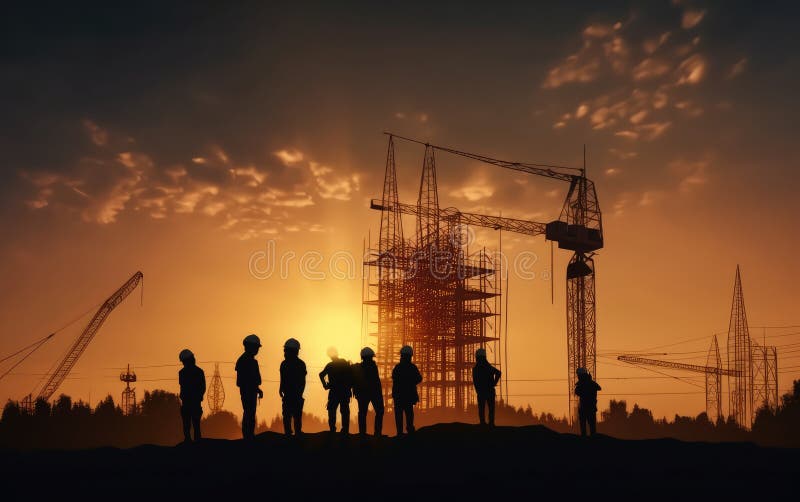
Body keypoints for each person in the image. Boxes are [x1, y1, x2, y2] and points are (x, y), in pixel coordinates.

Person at [319, 347, 353, 434]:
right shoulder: (343, 362)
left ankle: (333, 430)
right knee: (344, 411)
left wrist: (325, 385)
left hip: (334, 392)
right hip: (344, 392)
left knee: (332, 410)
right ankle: (345, 430)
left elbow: (321, 374)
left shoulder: (330, 365)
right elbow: (351, 376)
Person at [235, 334, 263, 440]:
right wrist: (254, 387)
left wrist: (257, 389)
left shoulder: (245, 360)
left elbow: (252, 380)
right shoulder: (246, 361)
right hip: (248, 392)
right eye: (256, 347)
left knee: (249, 413)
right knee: (249, 413)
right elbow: (243, 381)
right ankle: (248, 436)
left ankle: (249, 435)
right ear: (250, 347)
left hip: (249, 391)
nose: (257, 350)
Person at [352, 346, 384, 436]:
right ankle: (377, 433)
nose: (372, 359)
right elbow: (376, 382)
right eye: (370, 357)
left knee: (362, 413)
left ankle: (363, 433)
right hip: (373, 393)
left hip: (363, 394)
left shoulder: (359, 368)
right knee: (379, 411)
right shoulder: (373, 367)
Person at [391, 345, 422, 436]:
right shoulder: (412, 368)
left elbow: (394, 378)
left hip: (399, 396)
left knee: (399, 414)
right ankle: (410, 430)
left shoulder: (398, 368)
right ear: (410, 356)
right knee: (409, 413)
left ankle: (399, 432)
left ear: (402, 356)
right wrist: (411, 382)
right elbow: (419, 378)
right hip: (409, 395)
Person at [279, 338, 307, 436]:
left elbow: (302, 381)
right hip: (291, 394)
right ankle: (292, 433)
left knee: (293, 415)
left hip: (294, 394)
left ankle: (294, 433)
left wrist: (299, 393)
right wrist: (281, 388)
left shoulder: (290, 364)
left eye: (286, 350)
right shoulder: (298, 364)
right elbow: (283, 378)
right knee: (292, 415)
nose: (285, 352)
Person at [178, 349, 206, 443]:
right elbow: (202, 387)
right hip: (194, 403)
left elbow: (184, 388)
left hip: (188, 403)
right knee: (195, 424)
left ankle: (188, 442)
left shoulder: (182, 373)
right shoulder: (199, 372)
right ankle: (196, 442)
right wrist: (199, 396)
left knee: (188, 425)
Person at [472, 348, 501, 427]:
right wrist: (494, 383)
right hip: (489, 390)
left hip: (481, 391)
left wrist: (478, 389)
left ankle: (483, 423)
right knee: (491, 407)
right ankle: (490, 423)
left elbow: (475, 381)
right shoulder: (488, 367)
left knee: (481, 408)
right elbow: (498, 373)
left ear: (477, 357)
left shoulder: (476, 369)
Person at [574, 367, 602, 437]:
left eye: (579, 375)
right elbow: (599, 388)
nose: (578, 377)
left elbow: (577, 392)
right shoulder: (591, 383)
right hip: (590, 408)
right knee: (591, 427)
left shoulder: (582, 384)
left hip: (585, 408)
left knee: (585, 427)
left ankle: (587, 441)